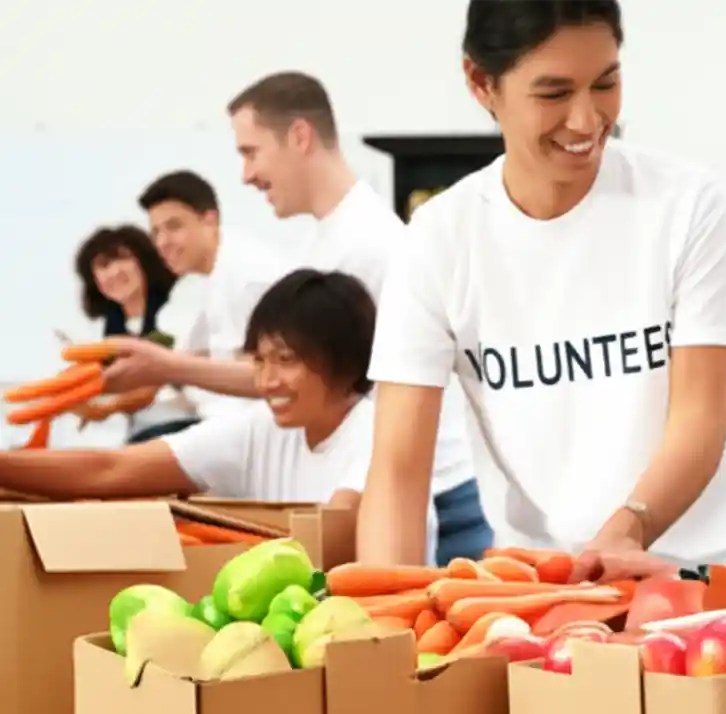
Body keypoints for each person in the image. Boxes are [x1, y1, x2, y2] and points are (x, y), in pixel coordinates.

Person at [358, 0, 726, 581]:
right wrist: (382, 629)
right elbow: (399, 471)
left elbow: (700, 415)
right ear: (482, 83)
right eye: (553, 94)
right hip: (545, 590)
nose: (586, 120)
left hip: (703, 580)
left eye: (606, 82)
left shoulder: (686, 205)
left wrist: (625, 533)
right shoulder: (437, 240)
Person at [223, 70, 484, 563]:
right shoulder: (331, 241)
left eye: (250, 152)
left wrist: (166, 367)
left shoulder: (367, 246)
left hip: (430, 490)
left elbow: (310, 379)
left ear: (300, 136)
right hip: (402, 480)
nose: (246, 174)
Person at [0, 270, 434, 544]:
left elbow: (331, 531)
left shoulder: (375, 438)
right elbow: (110, 469)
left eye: (286, 360)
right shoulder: (264, 428)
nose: (266, 381)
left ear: (345, 359)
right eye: (259, 360)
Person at [99, 171, 290, 420]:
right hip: (215, 418)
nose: (163, 242)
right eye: (156, 232)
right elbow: (199, 354)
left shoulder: (250, 279)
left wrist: (167, 368)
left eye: (174, 227)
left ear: (210, 221)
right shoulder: (206, 278)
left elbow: (276, 377)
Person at [70, 225, 200, 442]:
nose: (114, 271)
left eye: (123, 259)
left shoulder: (179, 309)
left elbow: (158, 377)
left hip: (189, 425)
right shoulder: (102, 335)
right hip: (140, 433)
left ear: (144, 263)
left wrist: (108, 408)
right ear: (94, 281)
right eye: (103, 265)